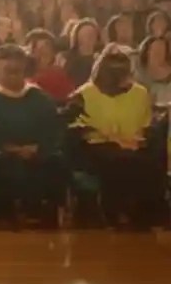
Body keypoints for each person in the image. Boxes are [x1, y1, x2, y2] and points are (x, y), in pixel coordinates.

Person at [64, 43, 162, 229]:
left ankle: (147, 214)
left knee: (149, 161)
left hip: (133, 143)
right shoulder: (84, 95)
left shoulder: (140, 93)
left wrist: (138, 139)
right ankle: (115, 211)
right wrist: (114, 140)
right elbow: (77, 129)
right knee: (115, 158)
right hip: (96, 145)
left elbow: (147, 124)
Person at [0, 44, 69, 229]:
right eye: (6, 71)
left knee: (56, 161)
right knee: (5, 164)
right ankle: (9, 214)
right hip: (3, 154)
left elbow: (53, 131)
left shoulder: (40, 98)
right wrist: (11, 149)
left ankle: (45, 212)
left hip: (37, 152)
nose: (12, 76)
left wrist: (37, 148)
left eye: (17, 71)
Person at [25, 29, 73, 102]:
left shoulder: (58, 74)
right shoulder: (21, 73)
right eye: (38, 47)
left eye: (47, 46)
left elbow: (69, 97)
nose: (43, 51)